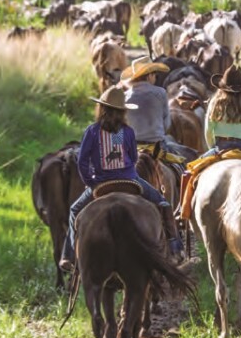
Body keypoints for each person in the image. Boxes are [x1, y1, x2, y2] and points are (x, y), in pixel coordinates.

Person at [58, 86, 183, 272]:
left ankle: (68, 255)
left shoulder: (92, 132)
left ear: (101, 109)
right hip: (130, 180)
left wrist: (92, 182)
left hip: (101, 182)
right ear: (123, 111)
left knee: (74, 210)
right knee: (163, 203)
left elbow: (83, 162)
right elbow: (133, 158)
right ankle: (174, 248)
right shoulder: (127, 131)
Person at [120, 56, 186, 161]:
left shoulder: (123, 96)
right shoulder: (160, 93)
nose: (155, 78)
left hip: (130, 148)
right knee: (181, 167)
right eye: (155, 75)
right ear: (149, 76)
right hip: (156, 147)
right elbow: (166, 125)